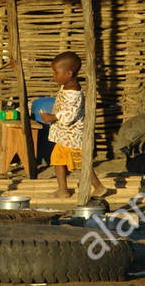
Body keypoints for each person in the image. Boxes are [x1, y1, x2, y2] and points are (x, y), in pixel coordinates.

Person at [37, 50, 107, 199]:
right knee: (57, 160)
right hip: (65, 137)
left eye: (56, 73)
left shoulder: (74, 93)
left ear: (68, 74)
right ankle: (63, 189)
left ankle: (98, 186)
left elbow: (69, 115)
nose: (54, 76)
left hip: (72, 138)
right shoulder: (68, 87)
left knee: (82, 163)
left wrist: (52, 117)